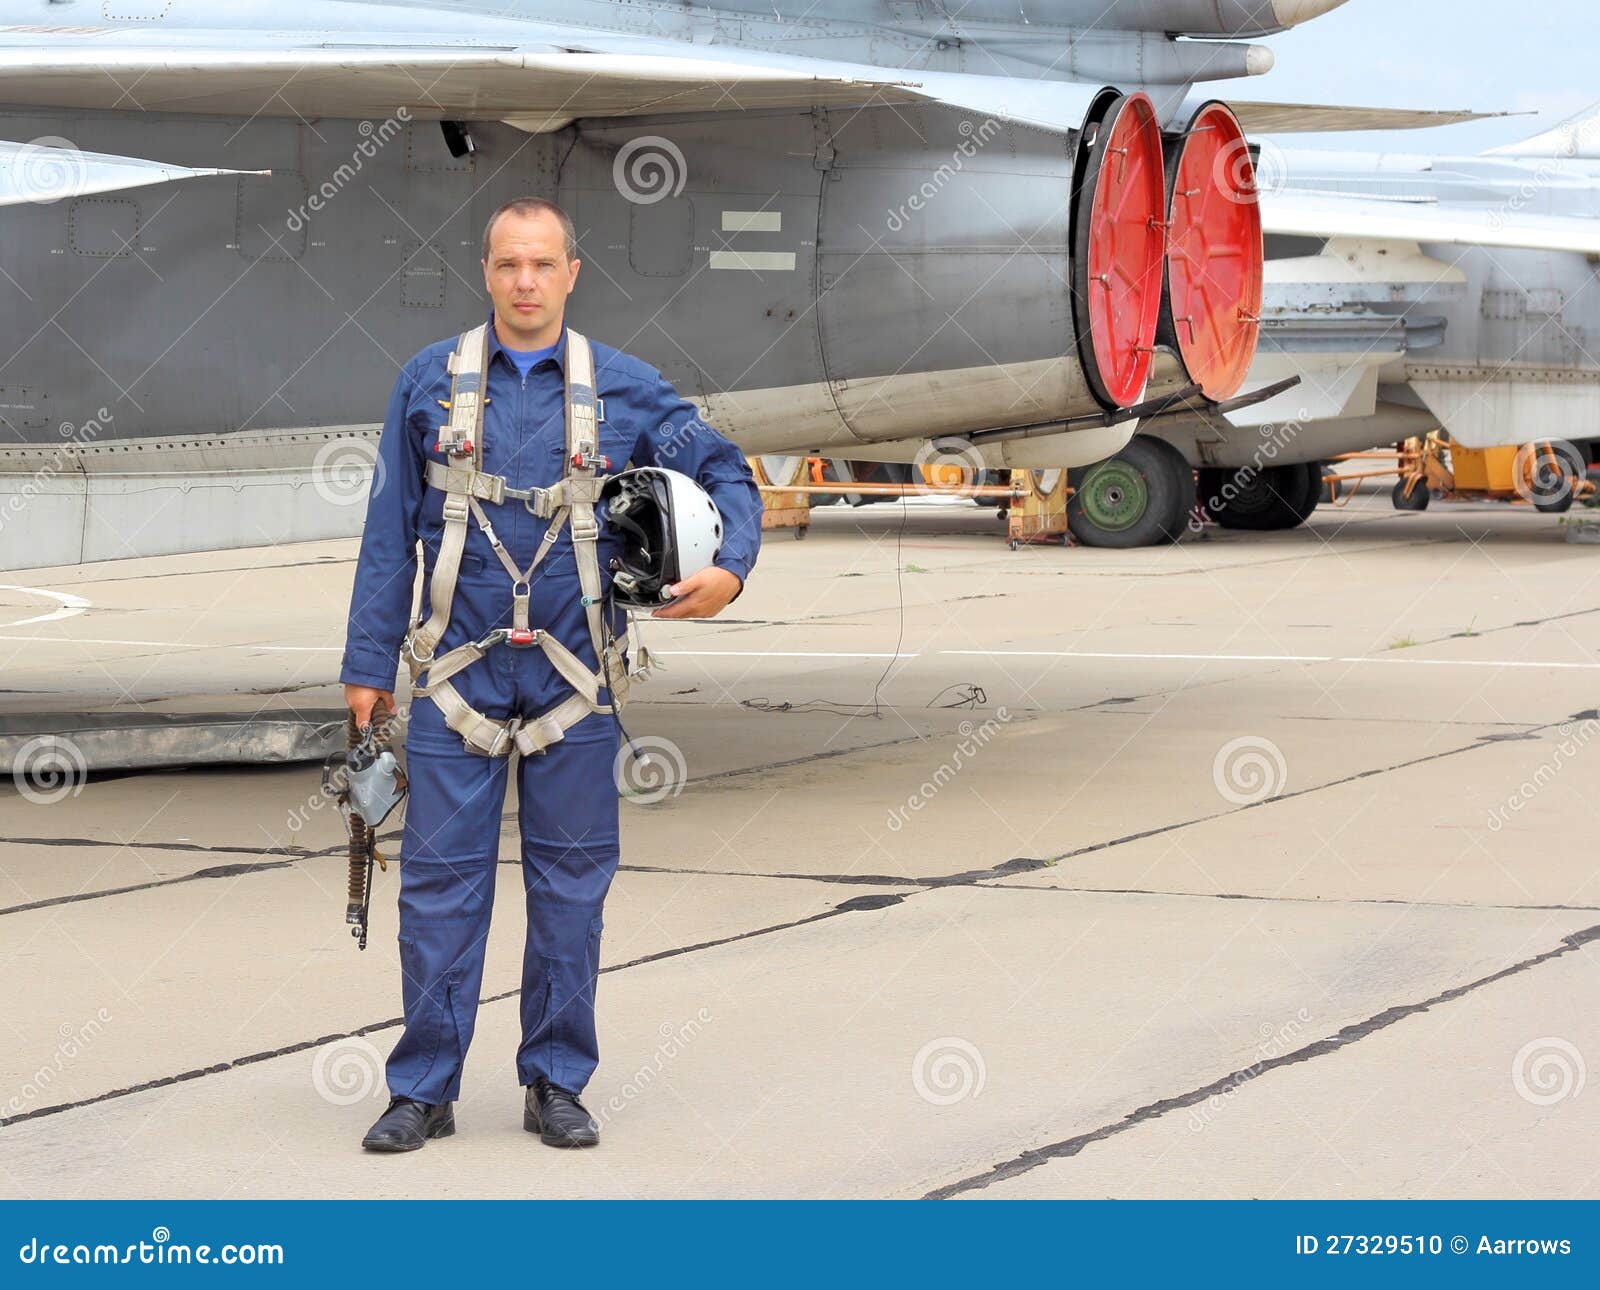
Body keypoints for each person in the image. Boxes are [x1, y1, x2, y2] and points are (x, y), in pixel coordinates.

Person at [339, 197, 762, 1152]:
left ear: (572, 272)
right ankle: (424, 1090)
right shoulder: (427, 385)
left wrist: (731, 568)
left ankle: (556, 1081)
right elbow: (385, 536)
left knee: (572, 889)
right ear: (486, 273)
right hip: (456, 680)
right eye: (507, 266)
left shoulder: (628, 387)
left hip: (578, 683)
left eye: (542, 265)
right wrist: (367, 665)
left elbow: (728, 471)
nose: (524, 282)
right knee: (440, 888)